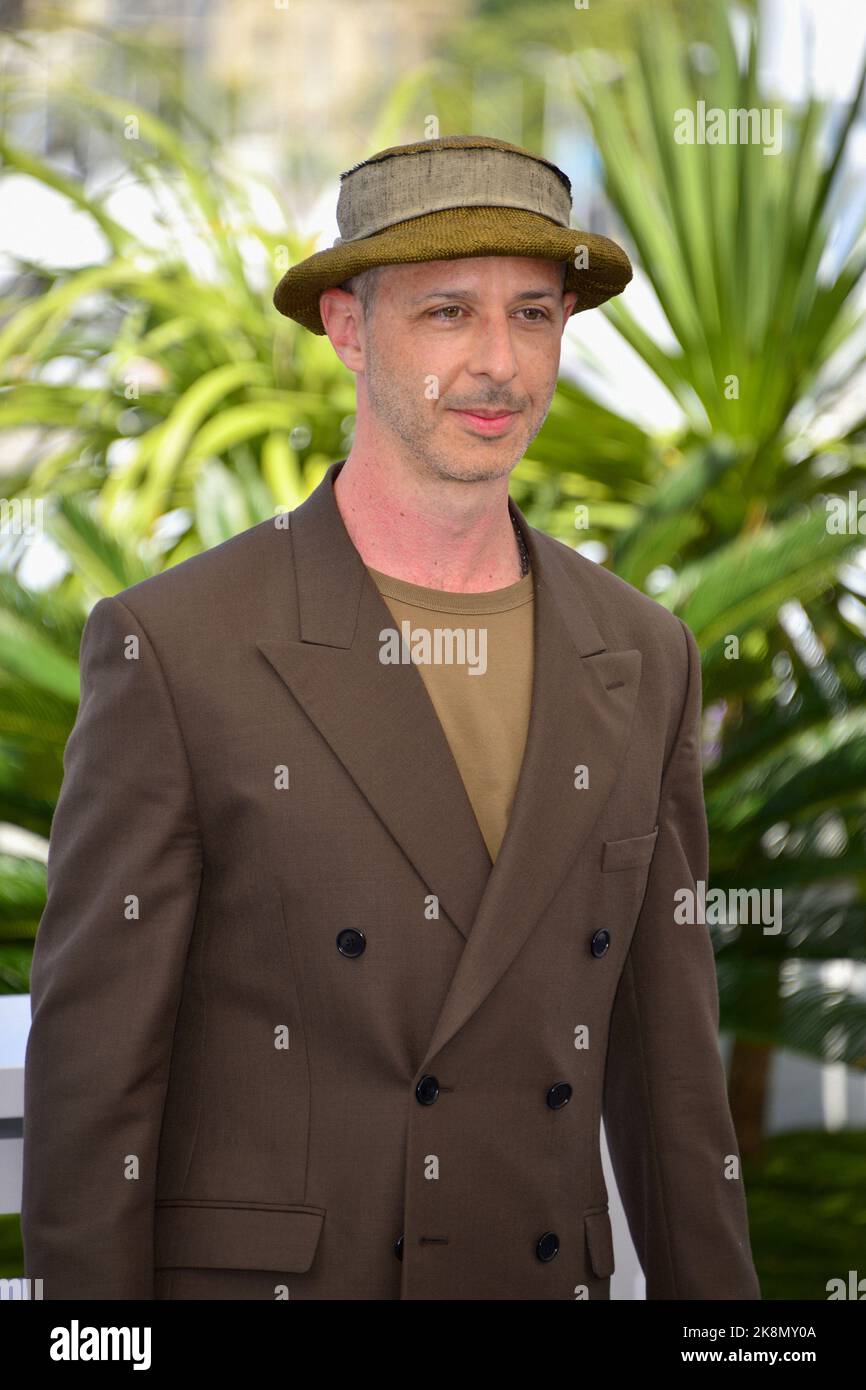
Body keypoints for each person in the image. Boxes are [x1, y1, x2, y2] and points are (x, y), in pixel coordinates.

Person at [22, 134, 760, 1300]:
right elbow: (92, 1087)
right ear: (348, 328)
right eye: (447, 313)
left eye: (531, 314)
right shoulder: (180, 646)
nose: (498, 365)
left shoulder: (641, 651)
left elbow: (670, 1080)